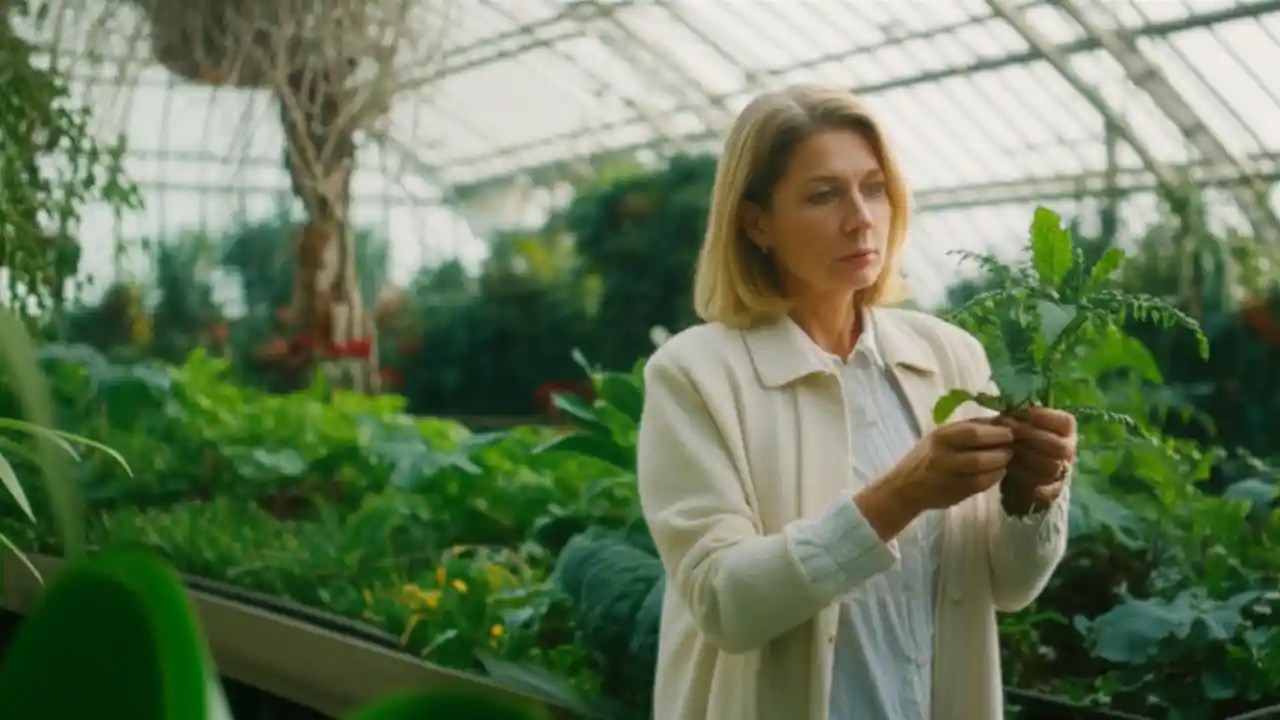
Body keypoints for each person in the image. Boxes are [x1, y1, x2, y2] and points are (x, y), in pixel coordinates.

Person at [635, 84, 1075, 720]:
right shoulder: (696, 374)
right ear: (756, 221)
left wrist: (1033, 496)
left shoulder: (949, 357)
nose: (861, 216)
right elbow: (723, 603)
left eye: (873, 187)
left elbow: (1009, 587)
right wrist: (899, 495)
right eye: (823, 195)